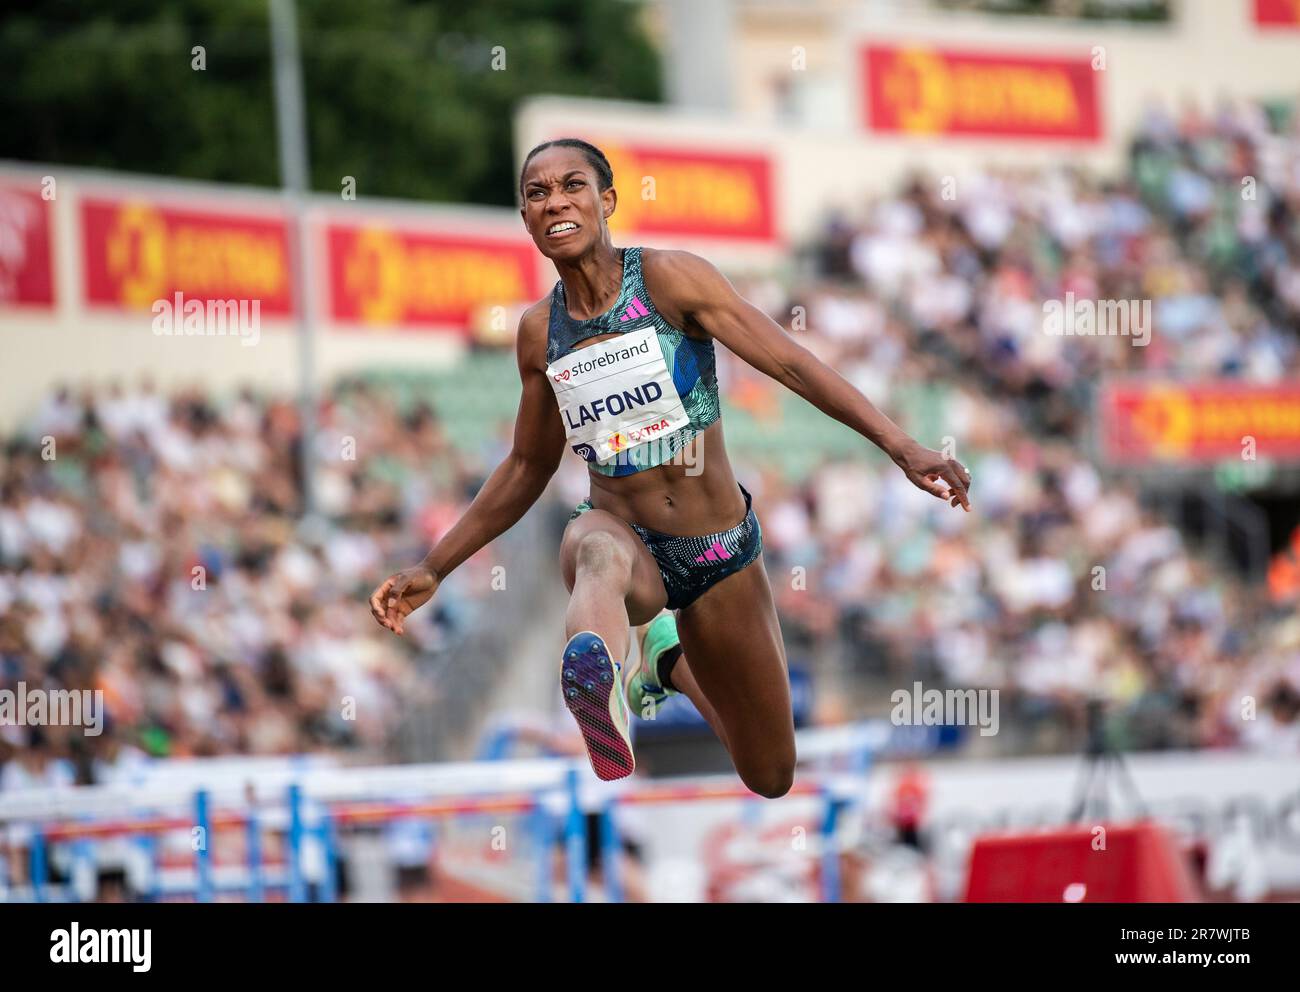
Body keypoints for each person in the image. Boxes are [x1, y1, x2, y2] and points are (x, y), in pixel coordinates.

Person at [369, 138, 971, 795]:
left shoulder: (668, 280)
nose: (555, 202)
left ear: (607, 201)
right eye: (537, 194)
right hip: (623, 538)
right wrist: (434, 566)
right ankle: (597, 691)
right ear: (525, 219)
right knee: (595, 552)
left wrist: (900, 444)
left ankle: (665, 661)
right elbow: (526, 464)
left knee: (770, 774)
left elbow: (792, 364)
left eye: (572, 185)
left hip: (719, 551)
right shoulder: (539, 333)